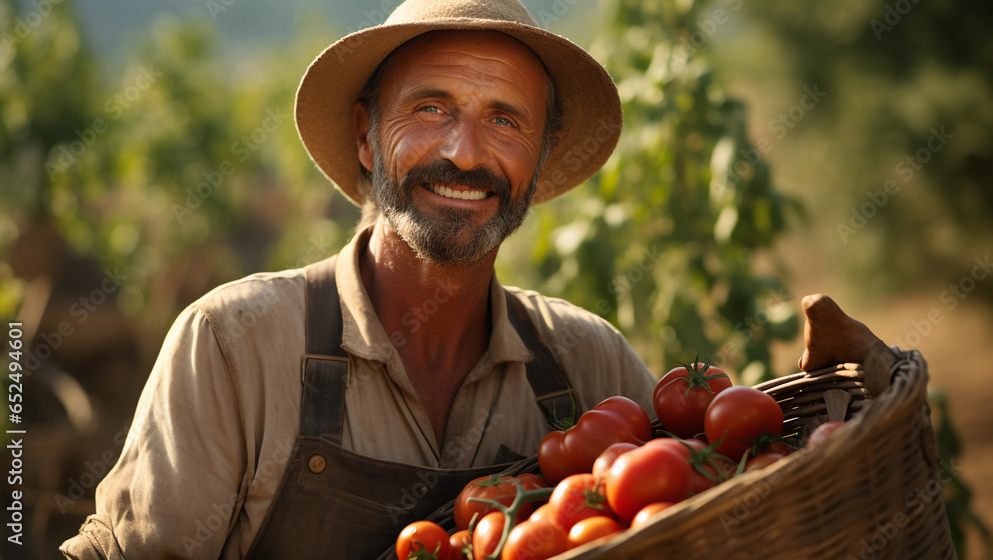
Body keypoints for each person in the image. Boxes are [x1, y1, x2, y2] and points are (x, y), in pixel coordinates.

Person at [61, 0, 891, 558]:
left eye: (505, 119)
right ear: (364, 135)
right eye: (430, 108)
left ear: (537, 160)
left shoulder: (584, 363)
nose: (465, 151)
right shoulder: (237, 345)